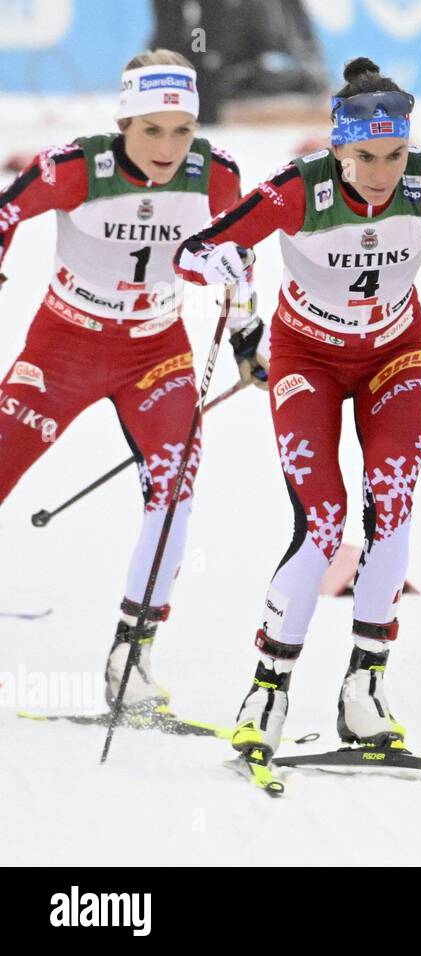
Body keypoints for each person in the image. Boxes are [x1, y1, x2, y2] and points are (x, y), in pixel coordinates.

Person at [174, 58, 421, 769]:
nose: (380, 170)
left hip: (395, 356)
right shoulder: (294, 190)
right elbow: (200, 248)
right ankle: (268, 689)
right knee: (322, 522)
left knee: (393, 507)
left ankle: (365, 687)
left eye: (393, 153)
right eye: (365, 155)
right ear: (337, 147)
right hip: (306, 358)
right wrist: (215, 266)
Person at [0, 50, 265, 716]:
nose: (169, 146)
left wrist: (244, 335)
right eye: (151, 129)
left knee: (175, 488)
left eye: (181, 130)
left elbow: (234, 256)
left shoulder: (217, 173)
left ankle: (132, 656)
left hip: (157, 353)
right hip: (63, 347)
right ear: (125, 121)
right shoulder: (75, 166)